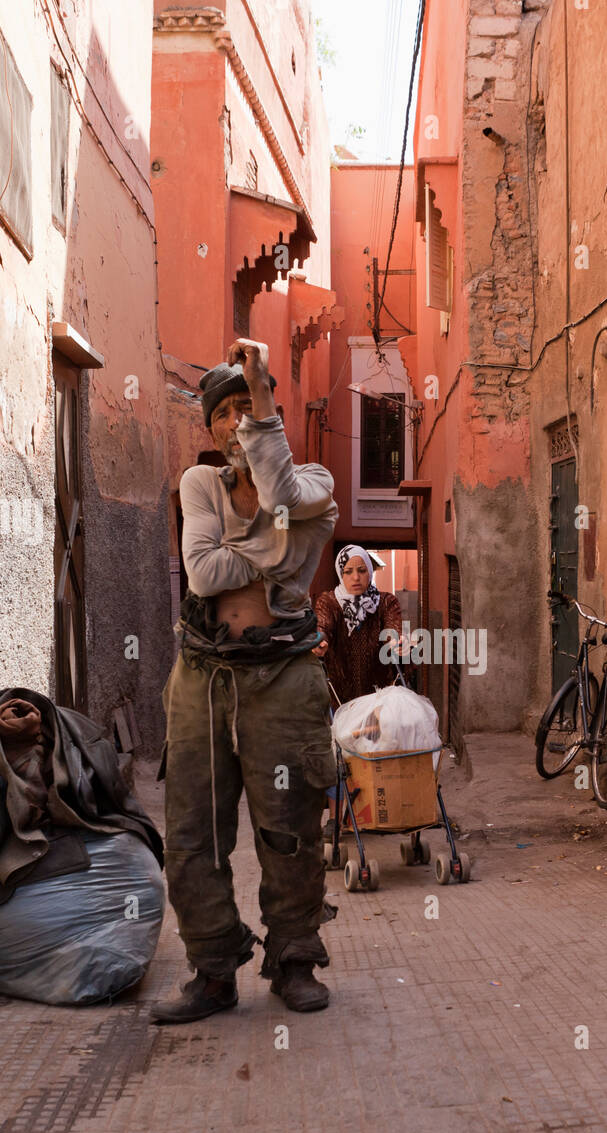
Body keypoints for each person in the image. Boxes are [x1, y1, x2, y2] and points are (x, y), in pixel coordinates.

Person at [150, 338, 339, 1025]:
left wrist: (249, 541)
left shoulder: (313, 485)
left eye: (250, 408)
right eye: (224, 412)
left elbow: (283, 493)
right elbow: (202, 574)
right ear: (209, 428)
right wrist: (276, 551)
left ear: (273, 419)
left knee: (288, 828)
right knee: (193, 831)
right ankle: (213, 970)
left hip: (284, 678)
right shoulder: (199, 484)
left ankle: (294, 959)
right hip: (201, 678)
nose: (236, 422)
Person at [313, 547, 404, 836]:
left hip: (375, 693)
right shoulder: (329, 602)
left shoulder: (386, 602)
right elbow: (321, 626)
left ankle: (375, 812)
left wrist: (394, 643)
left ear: (370, 571)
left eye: (361, 570)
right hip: (338, 692)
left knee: (374, 750)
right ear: (341, 573)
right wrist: (320, 641)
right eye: (348, 571)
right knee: (337, 752)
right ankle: (334, 818)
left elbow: (392, 629)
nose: (355, 577)